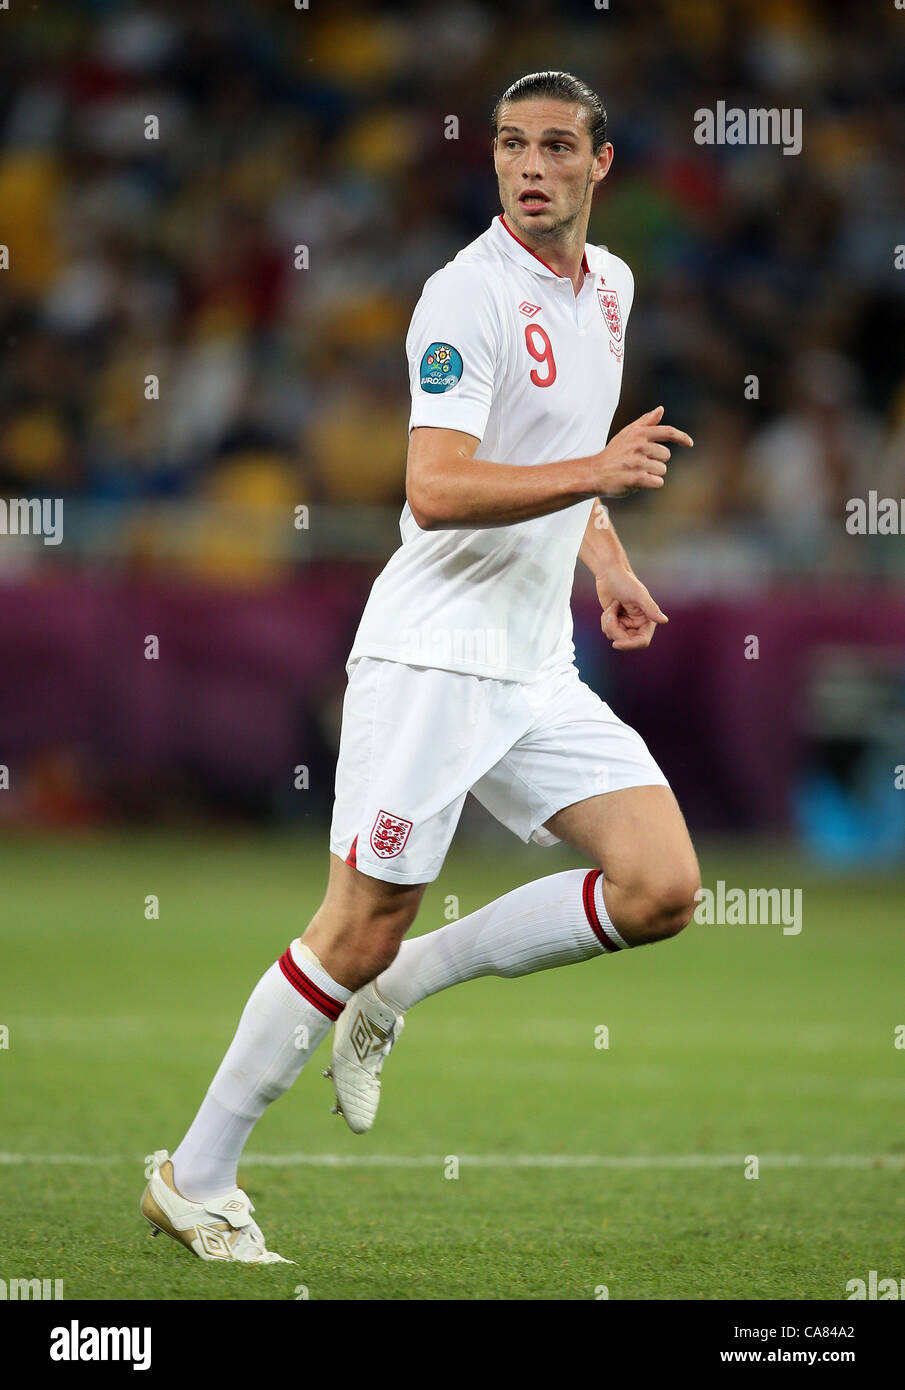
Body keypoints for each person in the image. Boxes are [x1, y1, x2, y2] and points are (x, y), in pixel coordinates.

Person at [141, 70, 700, 1264]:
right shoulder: (462, 297)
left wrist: (600, 555)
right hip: (434, 654)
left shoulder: (609, 286)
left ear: (600, 166)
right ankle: (195, 1176)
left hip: (532, 657)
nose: (530, 166)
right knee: (355, 924)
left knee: (660, 886)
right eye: (510, 146)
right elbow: (437, 488)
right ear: (492, 160)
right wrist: (595, 482)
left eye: (556, 147)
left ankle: (395, 996)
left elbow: (551, 457)